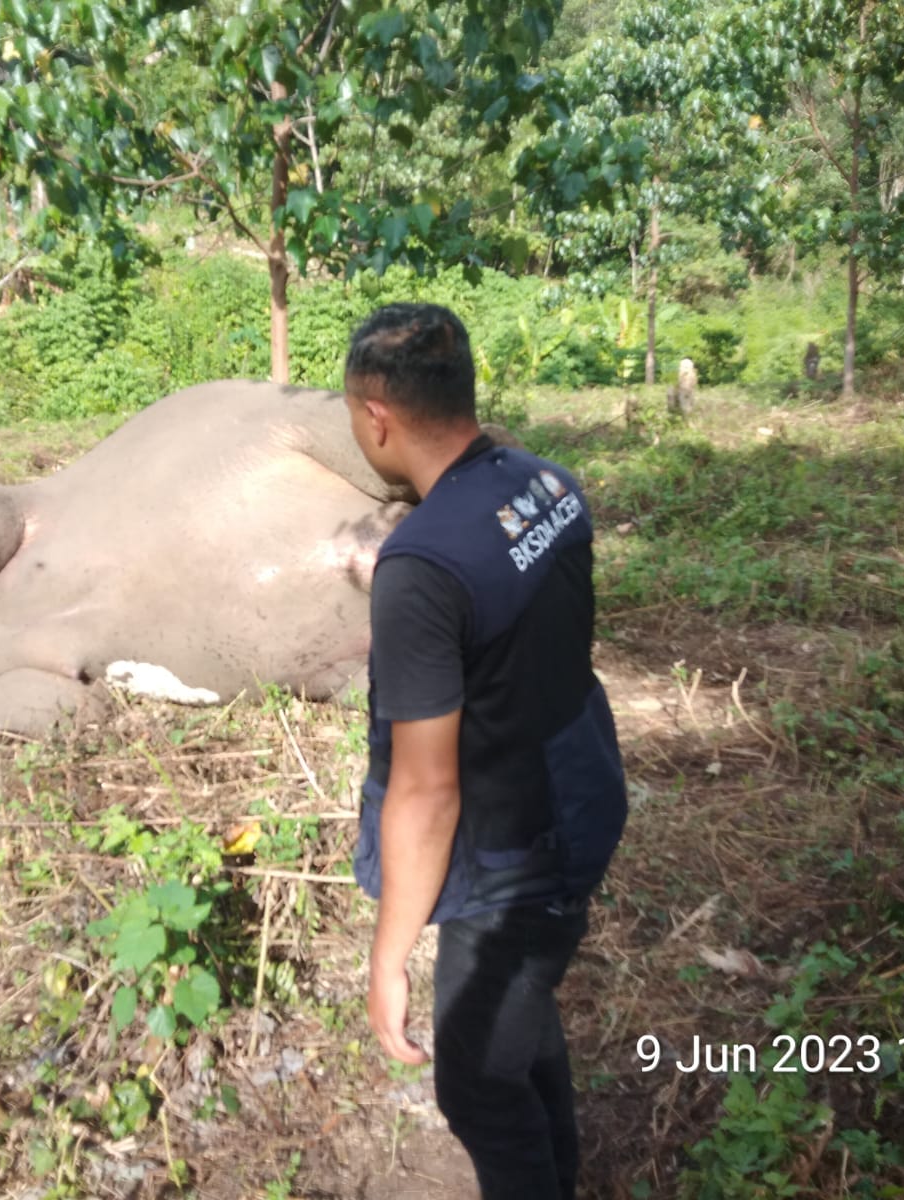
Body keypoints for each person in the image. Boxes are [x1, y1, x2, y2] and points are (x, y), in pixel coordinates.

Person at [343, 303, 628, 1200]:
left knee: (476, 1086)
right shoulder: (546, 483)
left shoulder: (420, 567)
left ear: (376, 416)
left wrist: (387, 960)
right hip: (581, 786)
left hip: (519, 851)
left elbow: (426, 794)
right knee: (517, 1020)